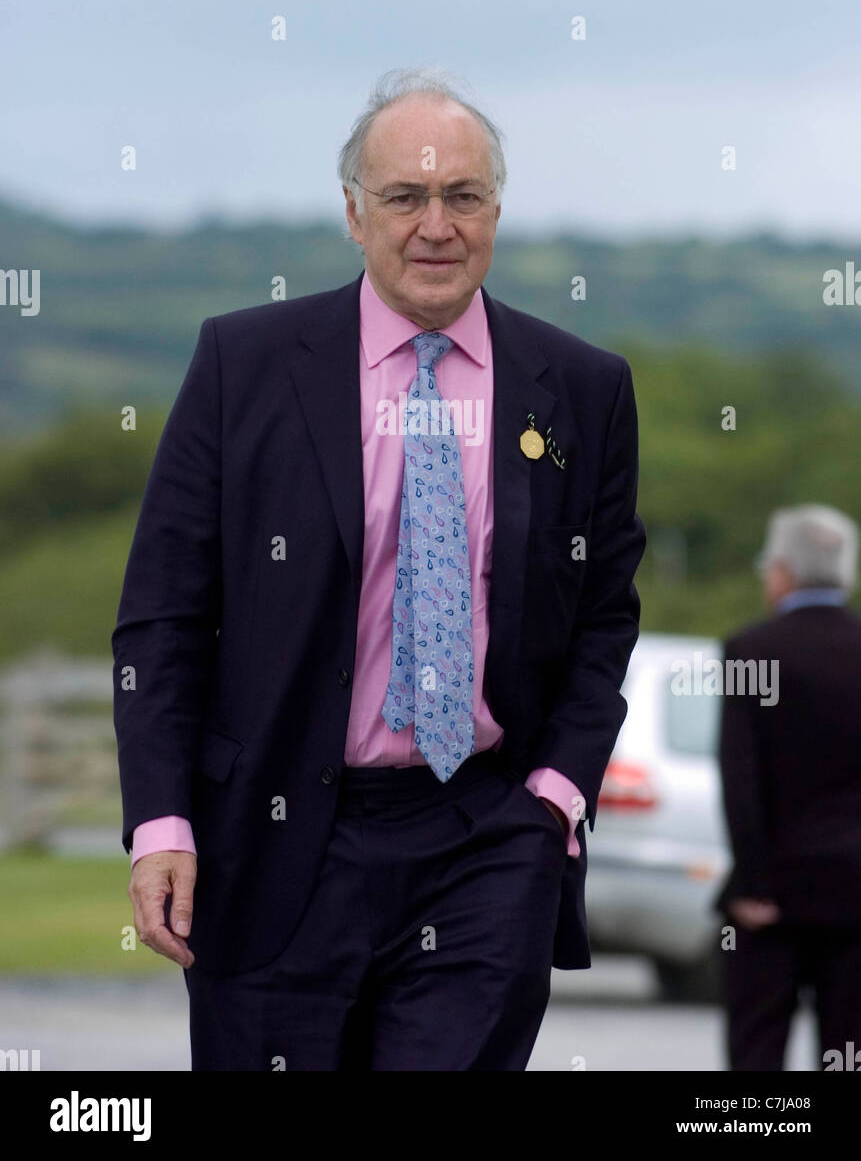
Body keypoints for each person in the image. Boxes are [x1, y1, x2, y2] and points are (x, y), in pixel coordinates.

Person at [112, 67, 645, 1071]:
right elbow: (164, 618)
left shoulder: (581, 389)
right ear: (354, 214)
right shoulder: (243, 365)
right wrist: (160, 819)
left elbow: (604, 615)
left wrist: (557, 796)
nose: (435, 224)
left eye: (463, 196)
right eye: (405, 197)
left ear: (495, 210)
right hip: (272, 838)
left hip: (485, 839)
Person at [716, 504, 861, 1070]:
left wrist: (751, 883)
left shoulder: (750, 649)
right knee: (848, 1048)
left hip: (772, 889)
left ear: (782, 571)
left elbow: (741, 778)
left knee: (758, 1046)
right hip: (855, 891)